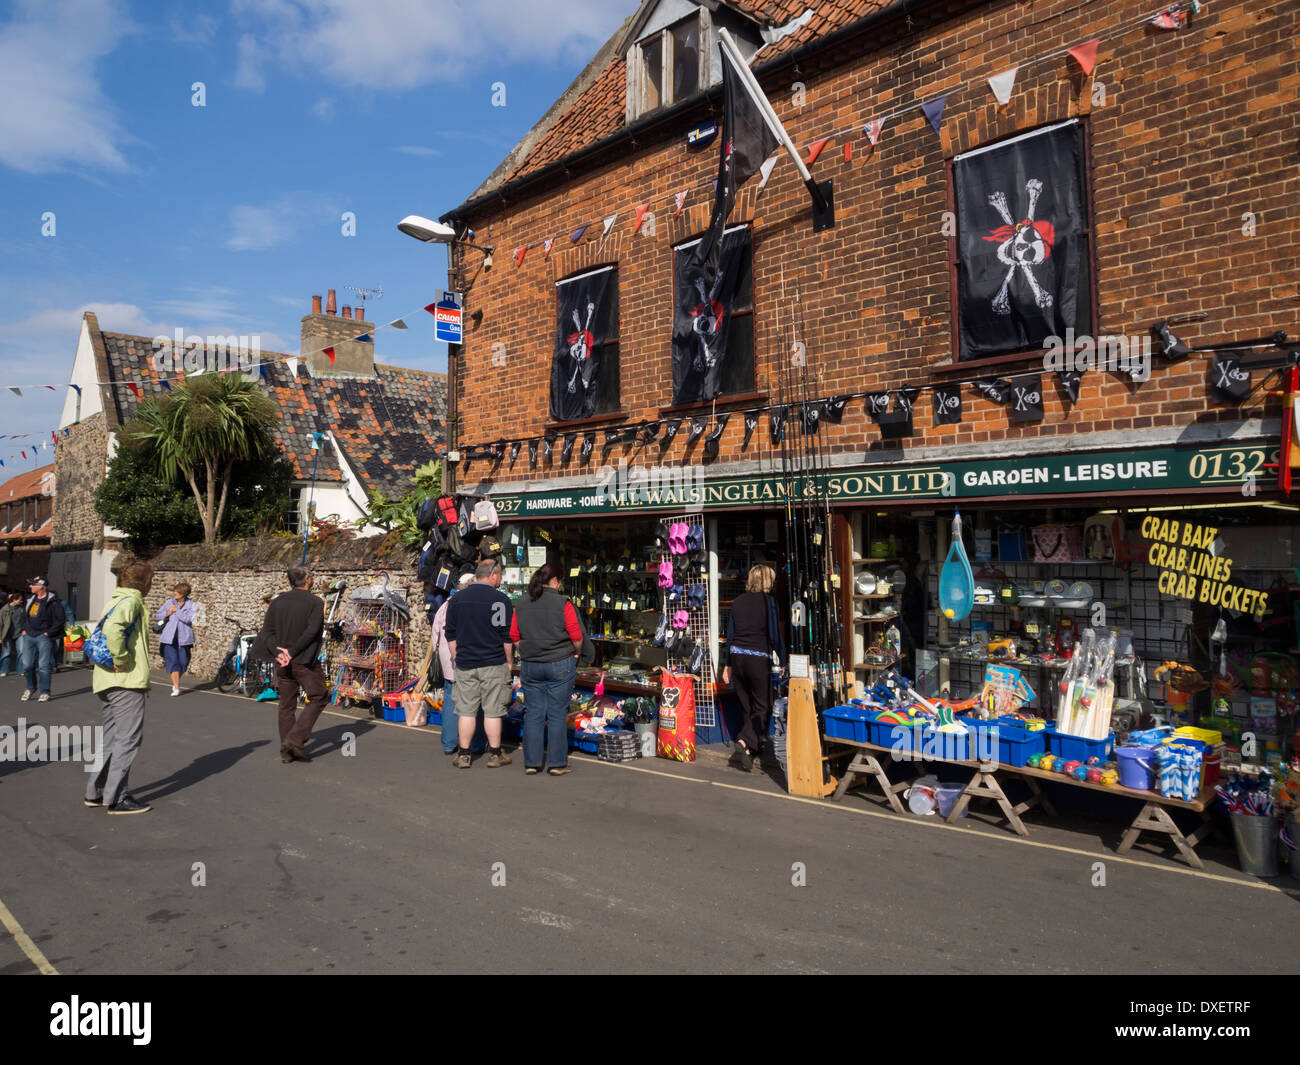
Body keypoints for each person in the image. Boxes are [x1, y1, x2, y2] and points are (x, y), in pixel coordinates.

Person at [85, 561, 155, 814]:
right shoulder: (133, 601)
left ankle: (96, 792)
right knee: (128, 739)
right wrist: (122, 659)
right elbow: (115, 631)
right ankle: (116, 798)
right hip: (125, 681)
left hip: (105, 680)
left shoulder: (114, 600)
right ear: (145, 583)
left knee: (111, 738)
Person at [511, 562, 583, 776]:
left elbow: (514, 636)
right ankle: (557, 763)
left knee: (533, 713)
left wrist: (527, 649)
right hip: (559, 662)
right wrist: (577, 652)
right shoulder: (563, 603)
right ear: (555, 581)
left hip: (530, 664)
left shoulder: (522, 602)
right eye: (560, 581)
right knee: (557, 713)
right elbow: (576, 635)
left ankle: (532, 763)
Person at [444, 559, 514, 769]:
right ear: (492, 574)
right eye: (499, 575)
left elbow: (451, 635)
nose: (500, 579)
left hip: (465, 663)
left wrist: (457, 657)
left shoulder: (457, 600)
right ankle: (495, 754)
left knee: (466, 710)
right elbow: (506, 638)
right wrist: (509, 662)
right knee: (493, 710)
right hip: (493, 662)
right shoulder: (500, 600)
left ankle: (464, 755)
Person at [721, 563, 787, 772]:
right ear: (768, 581)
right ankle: (744, 740)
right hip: (759, 658)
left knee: (747, 706)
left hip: (738, 657)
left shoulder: (738, 602)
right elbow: (774, 636)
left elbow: (730, 636)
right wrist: (784, 660)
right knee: (764, 704)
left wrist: (727, 664)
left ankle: (750, 750)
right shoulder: (770, 603)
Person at [261, 565, 327, 764]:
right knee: (319, 696)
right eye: (312, 576)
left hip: (282, 660)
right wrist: (290, 652)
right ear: (308, 580)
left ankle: (287, 753)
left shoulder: (277, 602)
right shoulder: (315, 602)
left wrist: (278, 652)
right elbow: (311, 631)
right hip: (304, 660)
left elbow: (266, 633)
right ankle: (294, 740)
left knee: (286, 705)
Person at [431, 573, 488, 758]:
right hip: (469, 658)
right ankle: (477, 743)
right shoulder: (474, 605)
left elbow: (435, 634)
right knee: (475, 703)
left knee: (450, 701)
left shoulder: (446, 605)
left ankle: (449, 744)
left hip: (449, 661)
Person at [19, 576, 66, 703]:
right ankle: (31, 687)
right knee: (27, 665)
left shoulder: (53, 601)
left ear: (41, 586)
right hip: (29, 635)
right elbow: (24, 616)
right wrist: (23, 629)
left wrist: (49, 633)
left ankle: (45, 691)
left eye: (33, 584)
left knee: (43, 666)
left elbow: (60, 619)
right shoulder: (30, 599)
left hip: (43, 637)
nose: (30, 586)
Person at [155, 582, 197, 697]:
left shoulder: (192, 605)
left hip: (184, 638)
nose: (174, 593)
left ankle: (175, 681)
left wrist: (176, 611)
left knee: (184, 663)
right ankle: (177, 688)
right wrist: (168, 612)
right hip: (169, 638)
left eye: (177, 592)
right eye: (175, 591)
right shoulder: (169, 602)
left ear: (183, 594)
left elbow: (188, 619)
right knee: (173, 663)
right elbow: (158, 615)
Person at [899, 552, 927, 681]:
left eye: (904, 563)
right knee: (913, 652)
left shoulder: (911, 582)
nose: (902, 566)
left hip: (912, 624)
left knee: (913, 652)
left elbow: (911, 605)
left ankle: (914, 679)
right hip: (914, 623)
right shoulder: (913, 581)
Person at [0, 591, 24, 677]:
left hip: (19, 633)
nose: (21, 601)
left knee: (21, 651)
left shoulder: (21, 609)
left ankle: (20, 670)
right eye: (20, 600)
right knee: (6, 653)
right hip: (7, 635)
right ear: (14, 600)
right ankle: (3, 670)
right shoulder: (4, 609)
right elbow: (0, 623)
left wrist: (24, 629)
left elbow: (25, 620)